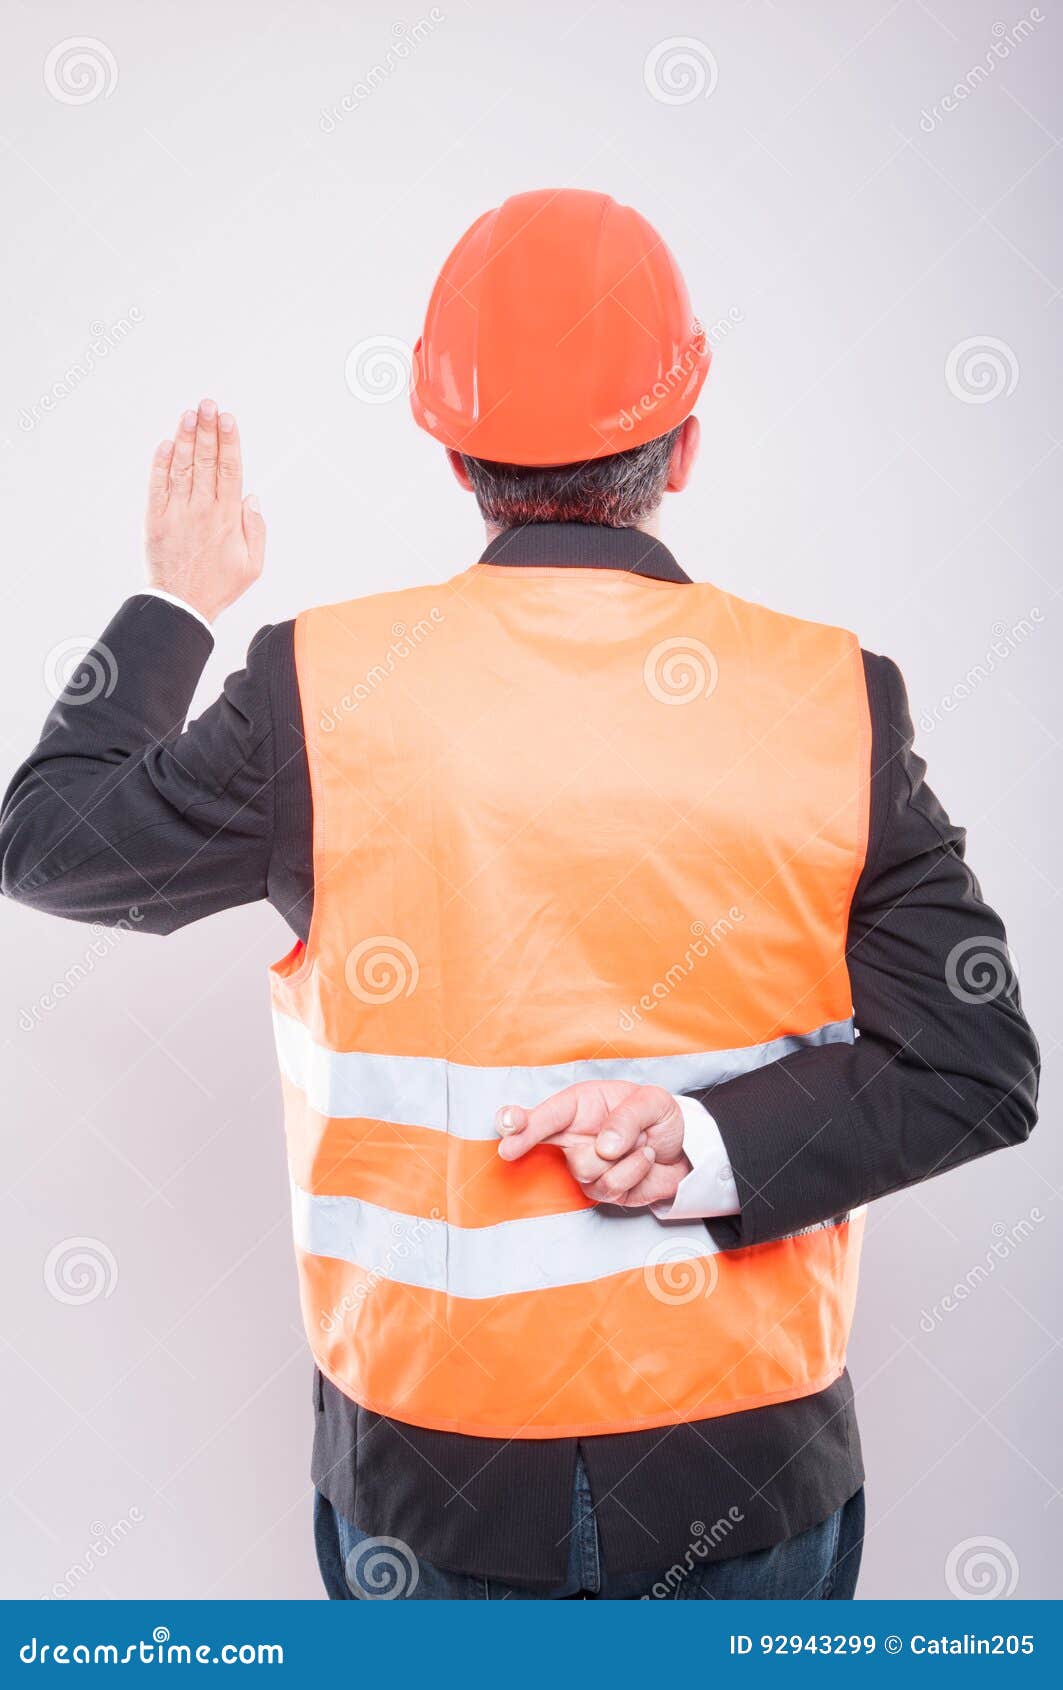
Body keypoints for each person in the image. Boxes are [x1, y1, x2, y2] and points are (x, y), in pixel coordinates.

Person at [0, 190, 1038, 1601]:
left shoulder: (320, 691)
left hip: (431, 1493)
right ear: (685, 439)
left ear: (452, 454)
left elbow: (51, 842)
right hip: (753, 1480)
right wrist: (711, 1142)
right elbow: (978, 1064)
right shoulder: (834, 698)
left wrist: (179, 604)